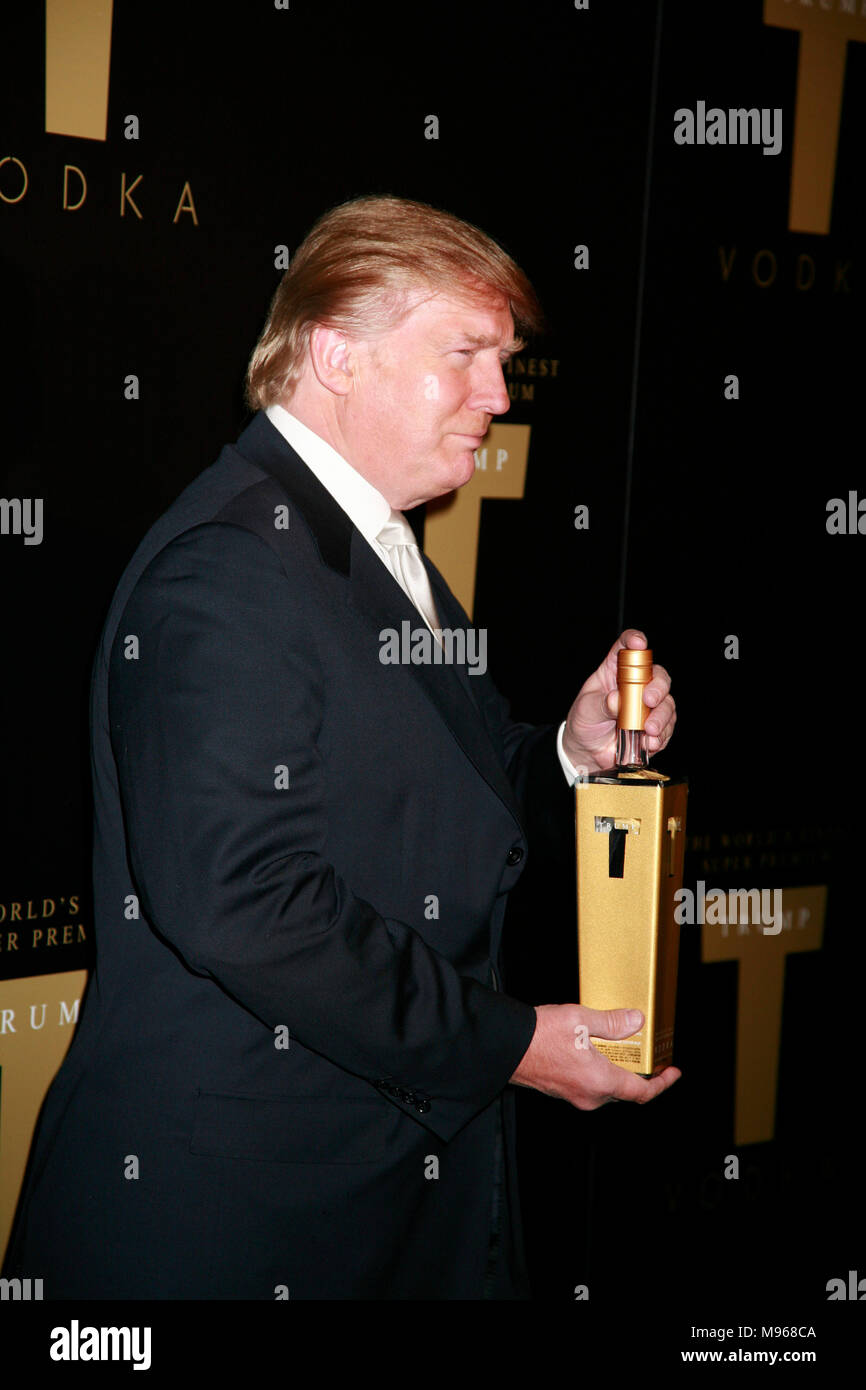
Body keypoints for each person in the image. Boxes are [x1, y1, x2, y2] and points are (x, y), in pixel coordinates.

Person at [4, 194, 678, 1300]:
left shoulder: (371, 547)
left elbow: (433, 797)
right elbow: (245, 903)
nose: (499, 397)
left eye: (503, 361)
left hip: (367, 1208)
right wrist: (508, 1044)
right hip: (235, 1229)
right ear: (335, 355)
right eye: (464, 353)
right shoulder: (225, 568)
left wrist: (567, 745)